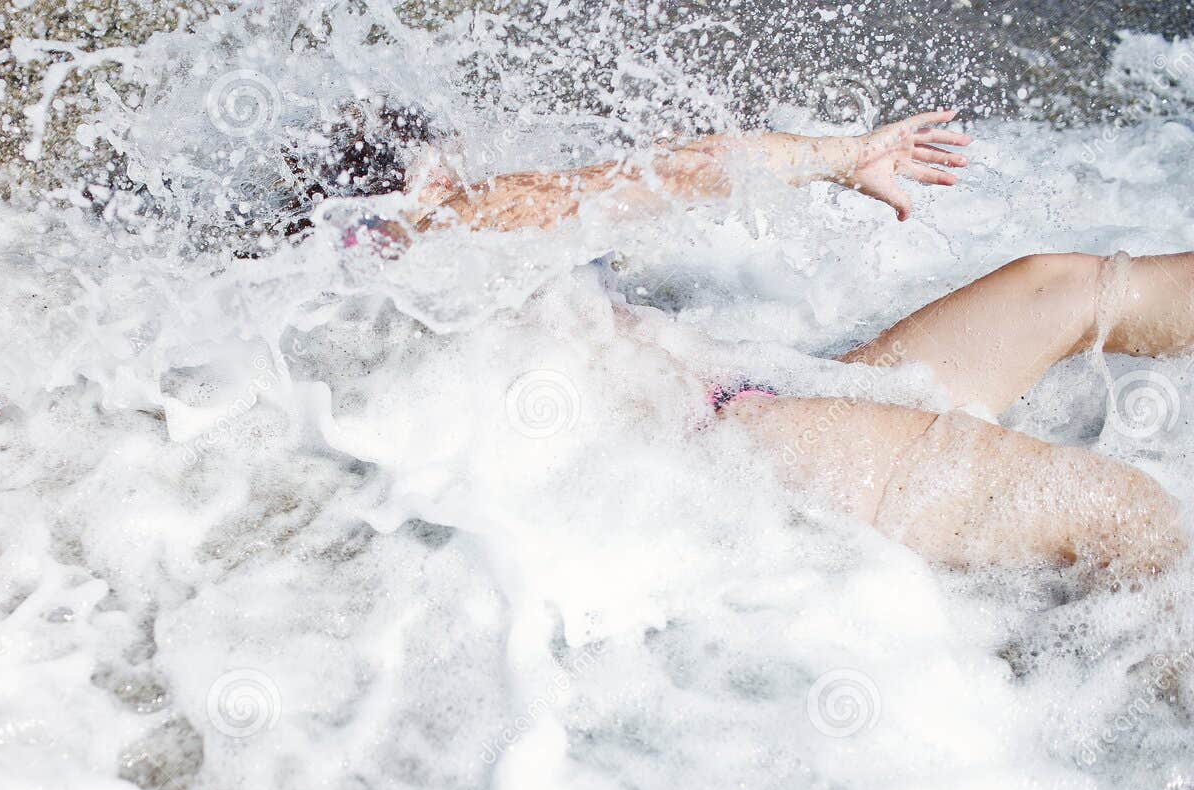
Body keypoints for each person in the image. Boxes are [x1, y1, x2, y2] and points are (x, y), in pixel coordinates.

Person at [273, 103, 1188, 583]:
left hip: (775, 405)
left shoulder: (450, 290)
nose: (473, 174)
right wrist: (839, 156)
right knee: (1130, 514)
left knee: (1063, 285)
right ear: (397, 197)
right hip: (751, 448)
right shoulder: (438, 237)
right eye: (446, 167)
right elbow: (678, 171)